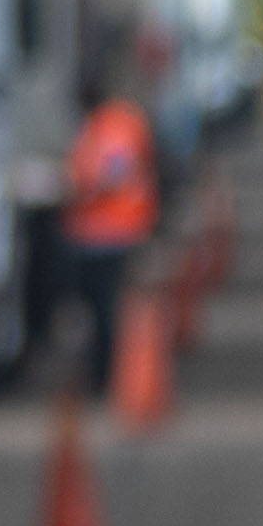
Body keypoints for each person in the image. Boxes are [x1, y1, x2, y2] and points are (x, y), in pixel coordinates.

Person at [57, 39, 161, 399]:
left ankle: (108, 377)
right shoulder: (107, 124)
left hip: (114, 234)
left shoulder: (113, 126)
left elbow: (111, 174)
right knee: (96, 311)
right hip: (95, 236)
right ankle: (103, 374)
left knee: (105, 311)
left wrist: (76, 184)